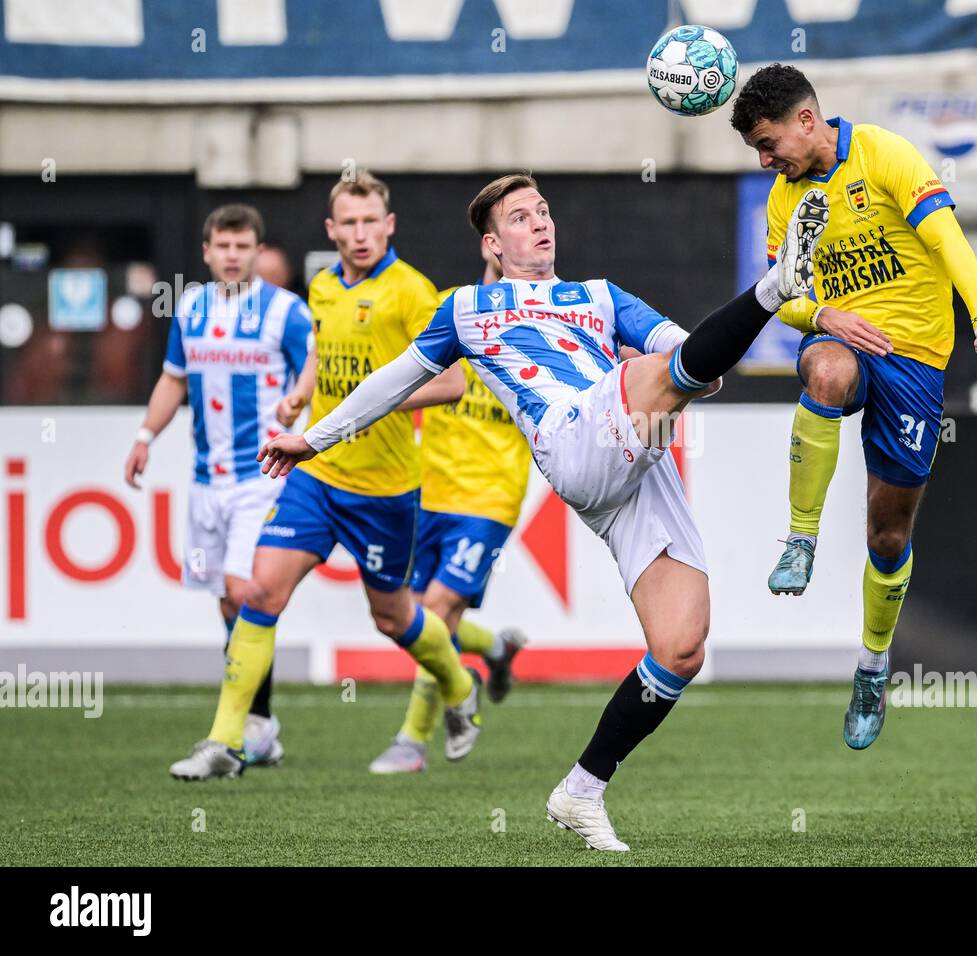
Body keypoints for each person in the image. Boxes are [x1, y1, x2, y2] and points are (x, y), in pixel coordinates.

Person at [257, 173, 828, 849]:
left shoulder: (600, 297)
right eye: (521, 217)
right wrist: (314, 437)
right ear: (493, 243)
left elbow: (695, 359)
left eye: (544, 210)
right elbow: (394, 380)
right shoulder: (468, 307)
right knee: (653, 378)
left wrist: (692, 364)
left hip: (637, 456)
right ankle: (775, 284)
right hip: (573, 435)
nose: (540, 222)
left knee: (681, 649)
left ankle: (581, 790)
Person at [730, 64, 977, 750]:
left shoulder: (885, 154)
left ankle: (872, 665)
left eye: (770, 144)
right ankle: (800, 541)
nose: (768, 161)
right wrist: (826, 315)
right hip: (847, 345)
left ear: (806, 120)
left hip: (915, 359)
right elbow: (781, 296)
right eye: (758, 153)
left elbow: (946, 240)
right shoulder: (783, 199)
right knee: (823, 372)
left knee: (888, 537)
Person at [168, 172, 481, 781]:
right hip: (318, 474)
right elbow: (322, 351)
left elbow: (453, 381)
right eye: (349, 224)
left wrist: (371, 403)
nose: (361, 235)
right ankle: (226, 742)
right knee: (259, 593)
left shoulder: (412, 292)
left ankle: (457, 682)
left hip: (384, 490)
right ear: (331, 230)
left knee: (391, 618)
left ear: (388, 226)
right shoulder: (321, 286)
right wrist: (300, 396)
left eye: (372, 222)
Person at [126, 203, 312, 767]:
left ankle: (248, 726)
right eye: (222, 247)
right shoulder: (190, 307)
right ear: (206, 252)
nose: (232, 256)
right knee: (227, 602)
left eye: (242, 246)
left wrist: (298, 401)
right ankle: (262, 723)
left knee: (245, 590)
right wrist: (144, 435)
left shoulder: (286, 312)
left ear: (258, 252)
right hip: (205, 479)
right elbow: (172, 379)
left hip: (262, 477)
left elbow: (316, 370)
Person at [369, 244, 530, 774]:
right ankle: (495, 648)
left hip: (491, 497)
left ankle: (412, 741)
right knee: (414, 618)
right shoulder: (446, 308)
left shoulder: (547, 319)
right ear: (490, 244)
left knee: (434, 612)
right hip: (429, 489)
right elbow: (401, 376)